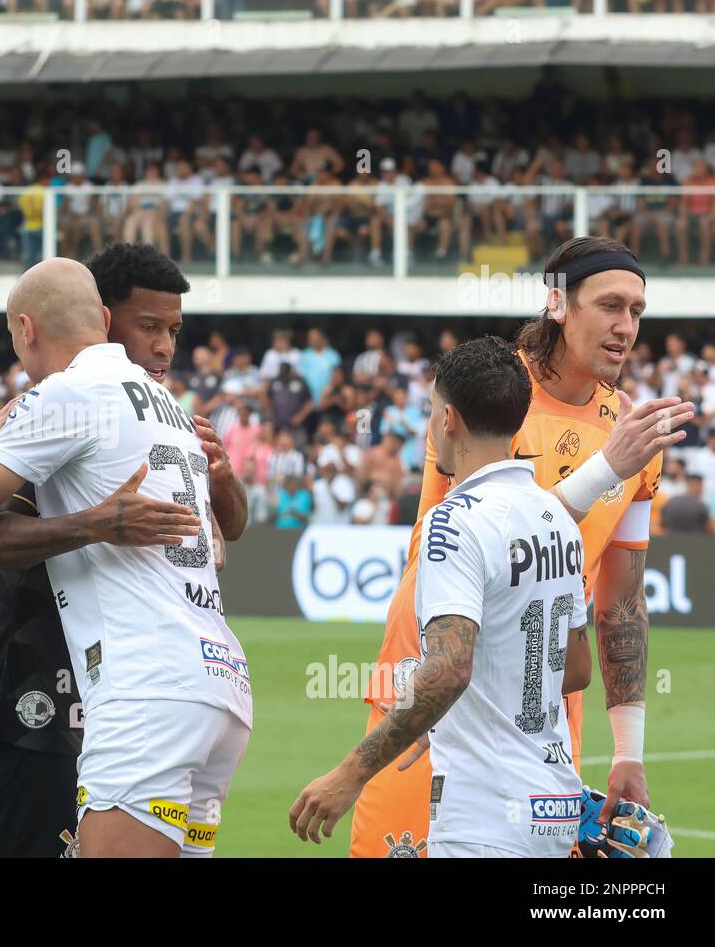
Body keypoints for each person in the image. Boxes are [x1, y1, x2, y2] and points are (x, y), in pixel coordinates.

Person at [347, 237, 696, 858]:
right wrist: (605, 470)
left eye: (638, 310)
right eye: (611, 305)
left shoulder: (633, 433)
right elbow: (480, 535)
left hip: (544, 704)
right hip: (437, 685)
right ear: (559, 303)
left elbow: (621, 603)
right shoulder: (490, 390)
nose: (626, 326)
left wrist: (628, 752)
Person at [0, 258, 252, 859]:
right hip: (185, 687)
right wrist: (99, 524)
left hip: (137, 693)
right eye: (149, 326)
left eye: (172, 332)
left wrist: (96, 521)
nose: (162, 346)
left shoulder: (66, 401)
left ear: (27, 329)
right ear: (105, 319)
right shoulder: (162, 416)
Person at [290, 337, 592, 857]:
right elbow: (577, 667)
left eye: (431, 411)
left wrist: (348, 776)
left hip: (483, 814)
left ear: (448, 419)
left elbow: (448, 670)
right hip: (553, 803)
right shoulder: (557, 519)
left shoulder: (453, 521)